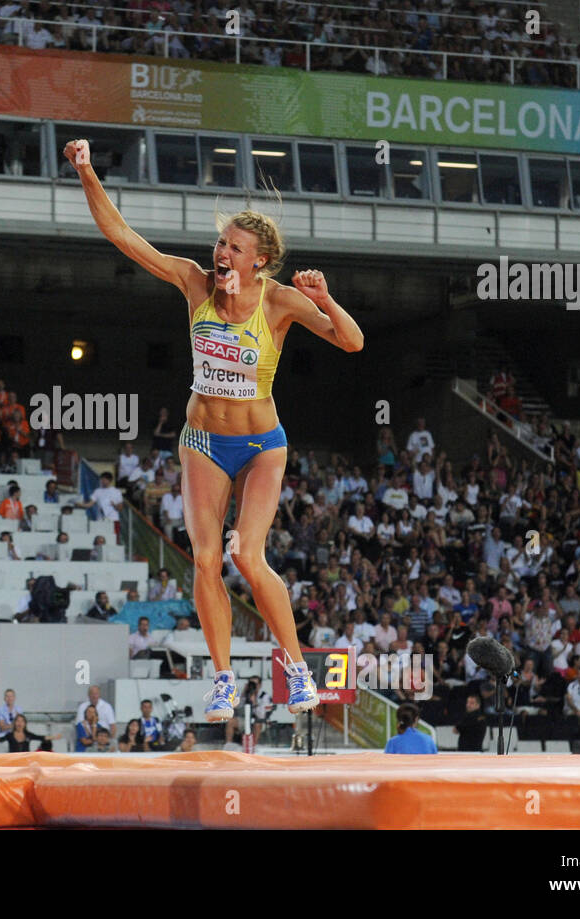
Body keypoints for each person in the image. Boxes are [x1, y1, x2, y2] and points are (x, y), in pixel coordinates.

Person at [64, 137, 363, 724]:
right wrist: (86, 170)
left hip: (261, 446)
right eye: (222, 241)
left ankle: (297, 667)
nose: (223, 251)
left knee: (247, 555)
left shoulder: (278, 302)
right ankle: (223, 680)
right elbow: (121, 236)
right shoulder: (195, 283)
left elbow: (352, 342)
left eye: (235, 247)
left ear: (259, 261)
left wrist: (326, 299)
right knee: (205, 560)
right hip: (202, 440)